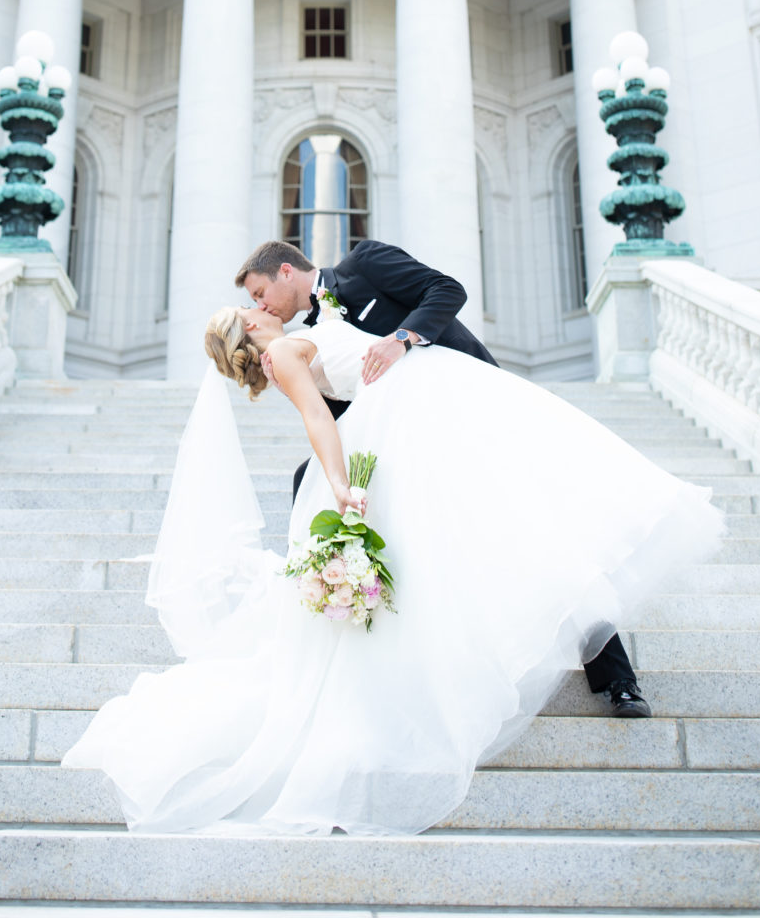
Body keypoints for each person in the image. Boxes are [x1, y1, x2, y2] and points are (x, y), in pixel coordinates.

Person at [60, 302, 724, 836]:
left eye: (259, 297)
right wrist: (341, 483)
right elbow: (320, 421)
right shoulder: (285, 350)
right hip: (411, 413)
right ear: (252, 330)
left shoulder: (300, 334)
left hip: (419, 401)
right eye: (254, 307)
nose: (262, 306)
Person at [237, 238, 651, 717]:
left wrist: (402, 339)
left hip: (467, 415)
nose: (259, 305)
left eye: (260, 292)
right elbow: (337, 417)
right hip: (411, 449)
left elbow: (445, 290)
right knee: (312, 484)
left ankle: (617, 679)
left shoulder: (364, 265)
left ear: (286, 271)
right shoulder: (303, 339)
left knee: (541, 536)